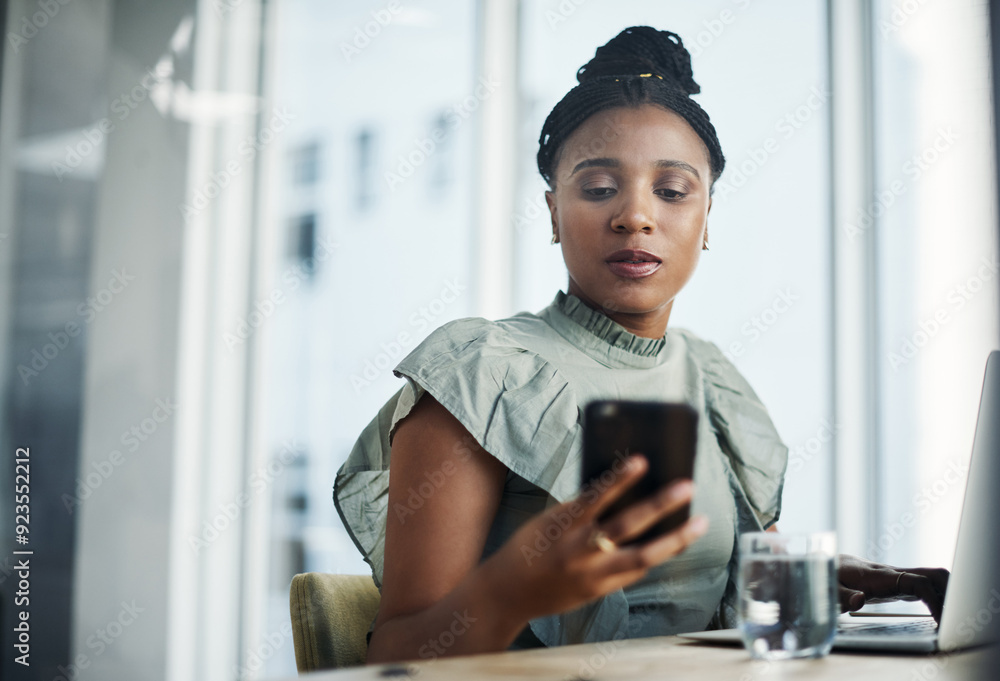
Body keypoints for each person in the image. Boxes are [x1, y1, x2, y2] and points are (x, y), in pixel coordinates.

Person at [334, 26, 949, 664]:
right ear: (552, 213)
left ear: (706, 219)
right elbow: (394, 659)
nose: (635, 215)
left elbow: (718, 594)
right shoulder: (483, 372)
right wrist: (511, 592)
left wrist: (817, 581)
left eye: (673, 191)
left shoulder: (710, 379)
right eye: (599, 189)